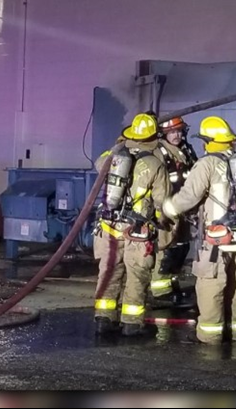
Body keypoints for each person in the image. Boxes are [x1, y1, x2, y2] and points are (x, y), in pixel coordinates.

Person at [161, 116, 236, 344]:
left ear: (208, 141)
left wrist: (167, 208)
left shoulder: (207, 163)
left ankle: (210, 336)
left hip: (218, 239)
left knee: (211, 284)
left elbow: (189, 197)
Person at [91, 113, 170, 336]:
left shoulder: (112, 157)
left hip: (108, 227)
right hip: (137, 231)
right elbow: (162, 202)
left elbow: (98, 164)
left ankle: (103, 319)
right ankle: (132, 324)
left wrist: (119, 144)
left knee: (109, 272)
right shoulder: (155, 164)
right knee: (137, 275)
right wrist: (165, 226)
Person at [150, 116, 198, 305]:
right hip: (166, 209)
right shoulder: (159, 152)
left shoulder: (185, 150)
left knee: (181, 248)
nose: (176, 135)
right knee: (166, 248)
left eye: (178, 131)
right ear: (163, 134)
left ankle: (172, 284)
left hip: (184, 208)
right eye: (171, 132)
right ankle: (160, 292)